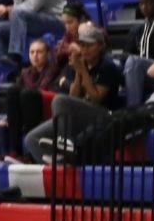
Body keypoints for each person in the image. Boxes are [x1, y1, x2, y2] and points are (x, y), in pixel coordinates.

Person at [23, 22, 124, 162]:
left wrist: (82, 70)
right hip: (81, 114)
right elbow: (73, 97)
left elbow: (96, 98)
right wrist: (78, 72)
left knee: (59, 99)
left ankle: (65, 144)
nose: (85, 49)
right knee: (31, 139)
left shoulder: (107, 67)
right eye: (82, 45)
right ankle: (59, 168)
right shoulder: (81, 63)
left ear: (100, 46)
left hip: (104, 115)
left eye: (89, 45)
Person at [2, 38, 60, 162]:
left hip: (44, 108)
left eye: (39, 52)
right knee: (12, 91)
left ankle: (30, 154)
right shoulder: (25, 72)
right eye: (32, 52)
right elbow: (16, 96)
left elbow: (45, 91)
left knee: (28, 95)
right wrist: (8, 117)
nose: (35, 56)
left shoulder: (54, 70)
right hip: (25, 109)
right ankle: (14, 151)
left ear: (47, 54)